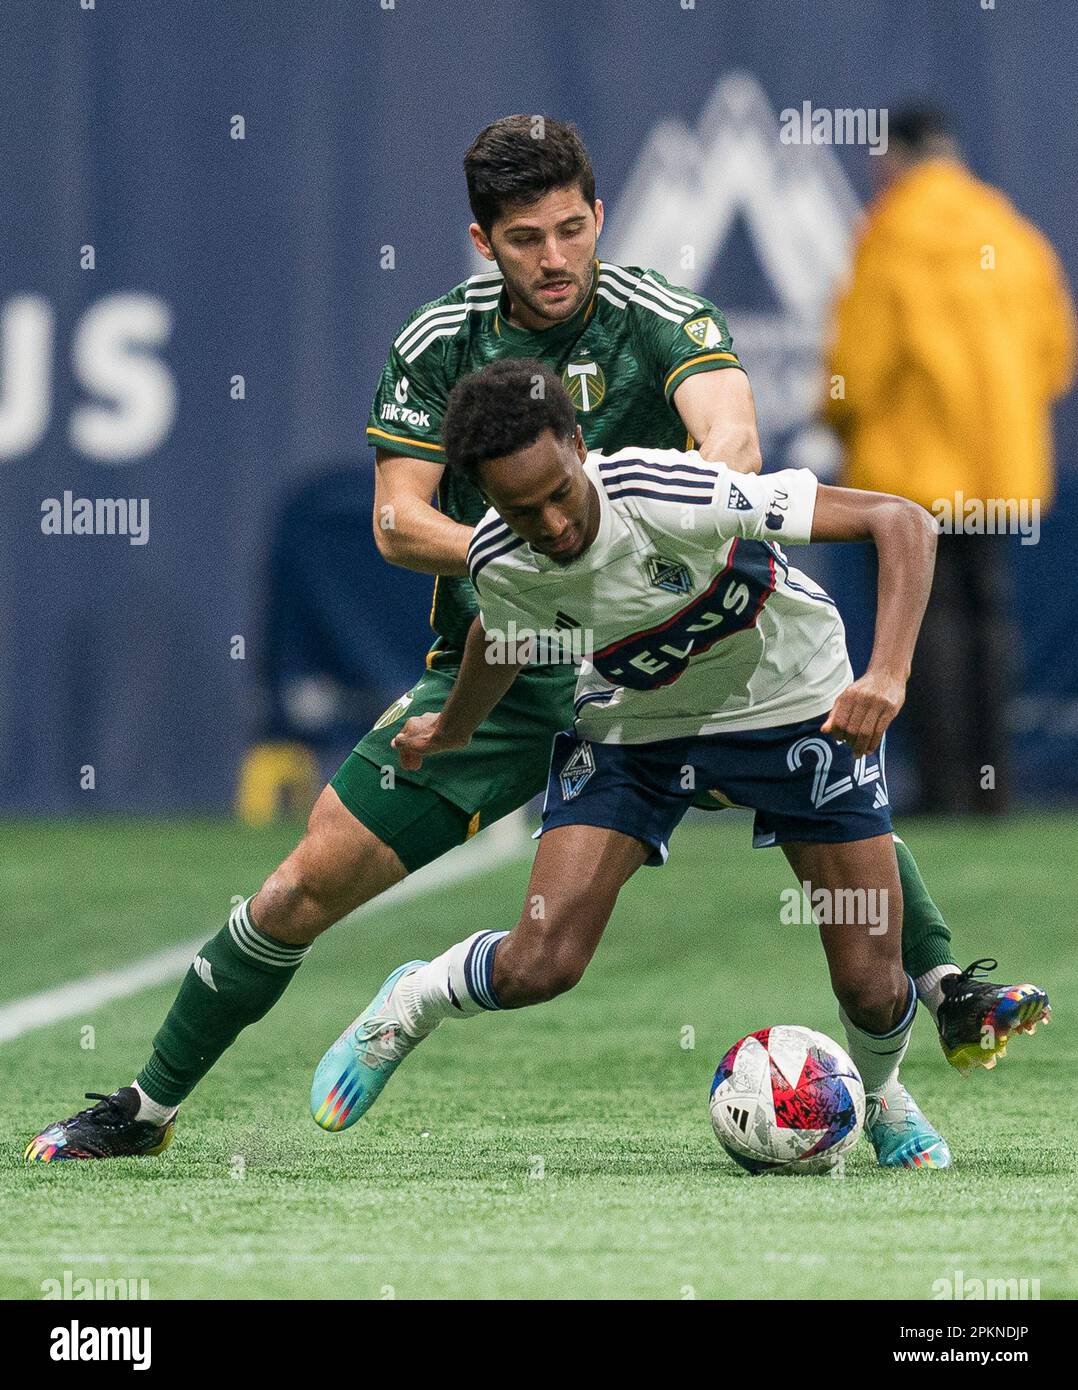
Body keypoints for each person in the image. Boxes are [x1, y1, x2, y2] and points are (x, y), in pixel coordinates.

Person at [26, 117, 1046, 1167]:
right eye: (525, 238)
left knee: (816, 767)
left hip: (687, 652)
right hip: (513, 661)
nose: (553, 258)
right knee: (304, 887)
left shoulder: (659, 318)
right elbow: (394, 521)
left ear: (599, 216)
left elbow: (731, 439)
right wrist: (544, 556)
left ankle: (931, 998)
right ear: (483, 240)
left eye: (570, 230)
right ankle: (143, 1109)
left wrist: (664, 513)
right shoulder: (443, 348)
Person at [311, 359, 1043, 1168]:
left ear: (579, 445)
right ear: (488, 500)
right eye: (523, 510)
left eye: (560, 492)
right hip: (636, 730)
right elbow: (500, 632)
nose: (552, 524)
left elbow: (901, 520)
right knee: (540, 964)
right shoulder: (497, 554)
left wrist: (889, 672)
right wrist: (452, 727)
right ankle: (411, 1002)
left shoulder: (672, 492)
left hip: (792, 703)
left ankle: (879, 1099)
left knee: (872, 983)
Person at [824, 105, 1077, 813]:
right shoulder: (1009, 231)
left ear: (895, 157)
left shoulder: (892, 231)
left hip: (913, 472)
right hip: (999, 471)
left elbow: (859, 366)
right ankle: (995, 787)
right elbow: (1056, 359)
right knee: (988, 617)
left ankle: (939, 789)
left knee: (920, 619)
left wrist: (839, 417)